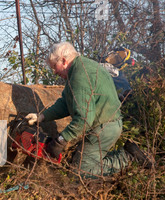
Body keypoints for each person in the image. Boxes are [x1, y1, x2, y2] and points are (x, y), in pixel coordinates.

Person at [25, 42, 153, 178]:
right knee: (81, 161)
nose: (55, 72)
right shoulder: (79, 68)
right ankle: (125, 154)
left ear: (63, 60)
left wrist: (60, 140)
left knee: (80, 172)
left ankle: (128, 157)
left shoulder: (80, 75)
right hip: (105, 124)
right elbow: (64, 103)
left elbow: (84, 119)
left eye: (54, 67)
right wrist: (42, 116)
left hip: (105, 128)